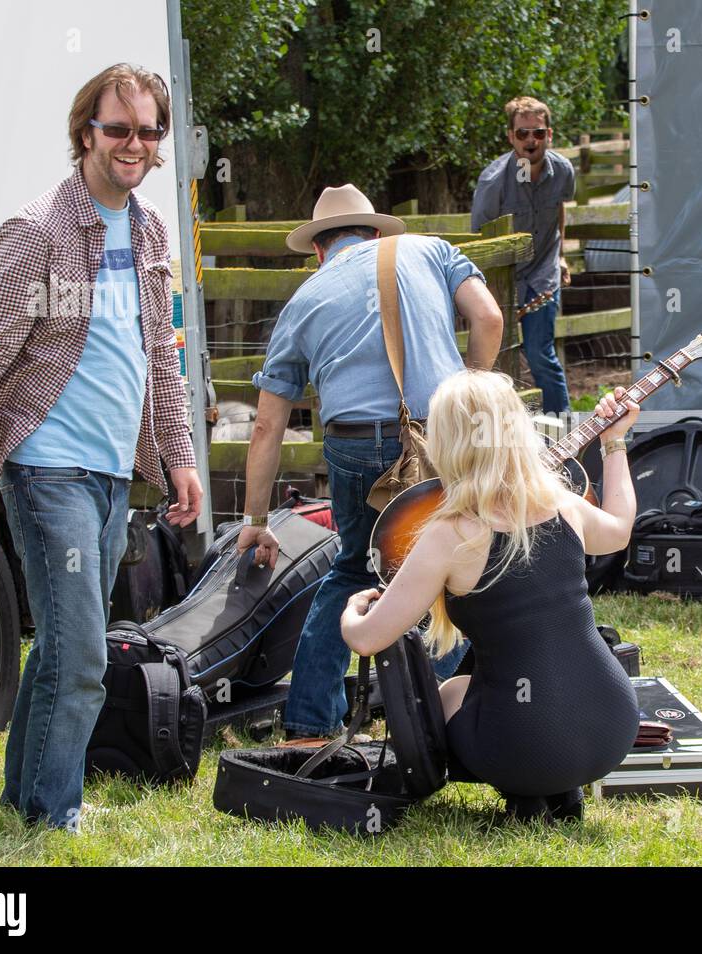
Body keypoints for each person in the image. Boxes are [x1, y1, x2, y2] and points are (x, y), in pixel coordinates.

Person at [0, 64, 203, 829]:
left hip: (109, 474)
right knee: (84, 654)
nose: (135, 144)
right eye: (118, 128)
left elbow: (161, 355)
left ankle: (22, 800)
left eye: (149, 131)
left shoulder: (153, 229)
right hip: (45, 468)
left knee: (61, 646)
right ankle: (55, 813)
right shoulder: (40, 232)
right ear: (84, 132)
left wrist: (180, 455)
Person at [236, 185, 504, 745]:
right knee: (455, 565)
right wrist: (473, 396)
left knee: (355, 569)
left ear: (318, 250)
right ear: (378, 233)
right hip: (442, 435)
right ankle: (422, 714)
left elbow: (266, 426)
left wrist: (255, 520)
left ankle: (309, 725)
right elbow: (490, 318)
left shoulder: (303, 300)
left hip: (355, 445)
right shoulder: (430, 250)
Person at [336, 371, 641, 824]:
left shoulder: (448, 534)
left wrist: (351, 610)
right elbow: (618, 530)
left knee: (446, 697)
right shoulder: (562, 503)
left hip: (522, 740)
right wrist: (614, 443)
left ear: (447, 443)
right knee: (477, 686)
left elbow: (367, 640)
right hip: (613, 726)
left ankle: (528, 786)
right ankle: (556, 790)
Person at [471, 96, 575, 414]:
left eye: (539, 133)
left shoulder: (562, 171)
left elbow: (559, 211)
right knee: (496, 361)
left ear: (550, 135)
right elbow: (480, 239)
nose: (531, 141)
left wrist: (560, 257)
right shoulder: (494, 182)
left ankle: (566, 433)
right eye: (523, 134)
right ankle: (500, 434)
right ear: (510, 137)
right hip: (503, 280)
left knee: (540, 354)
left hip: (542, 274)